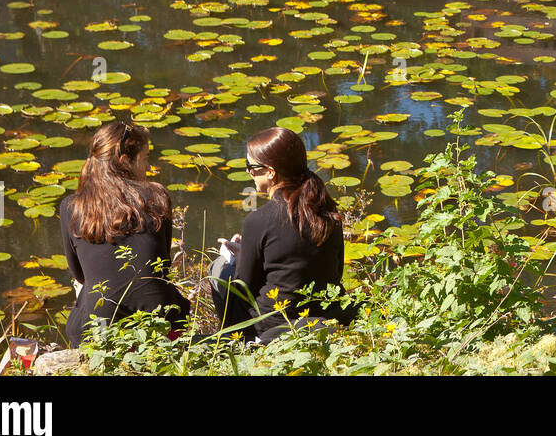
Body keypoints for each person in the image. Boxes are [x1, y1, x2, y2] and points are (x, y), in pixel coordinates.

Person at [211, 127, 355, 343]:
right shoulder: (328, 212)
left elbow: (246, 285)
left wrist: (240, 258)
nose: (249, 172)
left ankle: (238, 339)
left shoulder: (258, 220)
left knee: (218, 268)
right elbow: (335, 274)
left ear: (270, 172)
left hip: (275, 322)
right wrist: (249, 251)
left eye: (251, 167)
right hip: (327, 313)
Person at [60, 120, 190, 347]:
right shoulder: (157, 197)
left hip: (102, 326)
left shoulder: (72, 206)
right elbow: (162, 266)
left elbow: (79, 274)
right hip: (161, 322)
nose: (148, 166)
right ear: (124, 161)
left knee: (85, 300)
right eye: (146, 158)